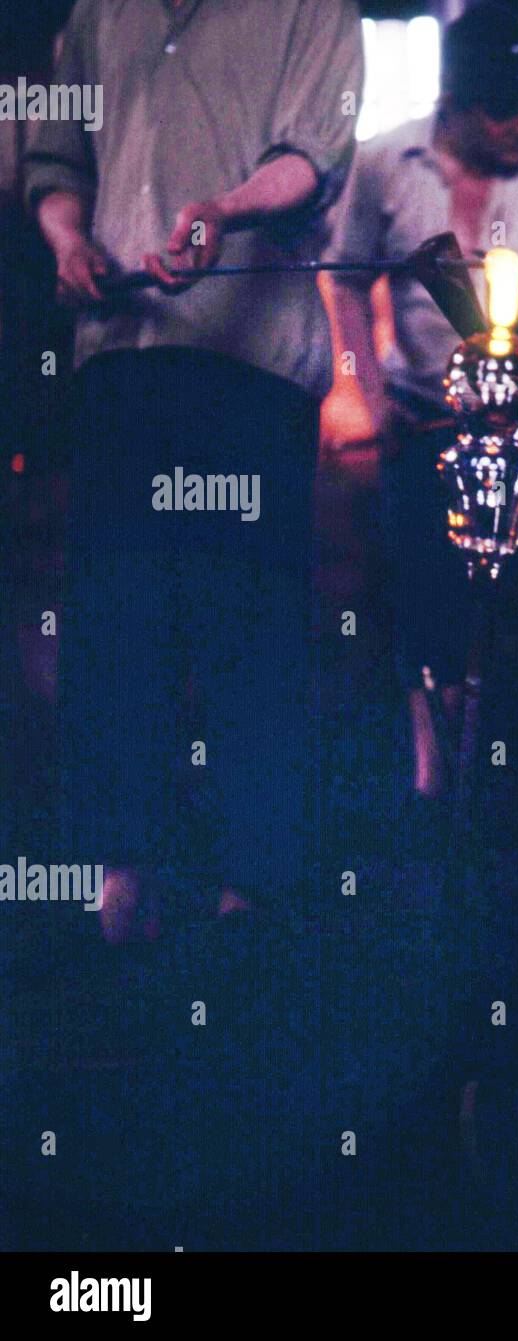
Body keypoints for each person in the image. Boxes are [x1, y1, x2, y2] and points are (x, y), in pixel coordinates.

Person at [24, 0, 363, 938]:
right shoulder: (102, 11)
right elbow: (58, 161)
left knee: (247, 628)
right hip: (119, 351)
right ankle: (116, 887)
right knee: (113, 627)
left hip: (247, 361)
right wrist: (68, 238)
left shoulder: (313, 7)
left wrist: (223, 209)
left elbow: (314, 157)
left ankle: (252, 894)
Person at [327, 2, 518, 800]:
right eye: (506, 110)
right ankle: (427, 776)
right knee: (420, 599)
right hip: (421, 421)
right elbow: (343, 274)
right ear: (456, 107)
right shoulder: (382, 160)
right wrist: (363, 390)